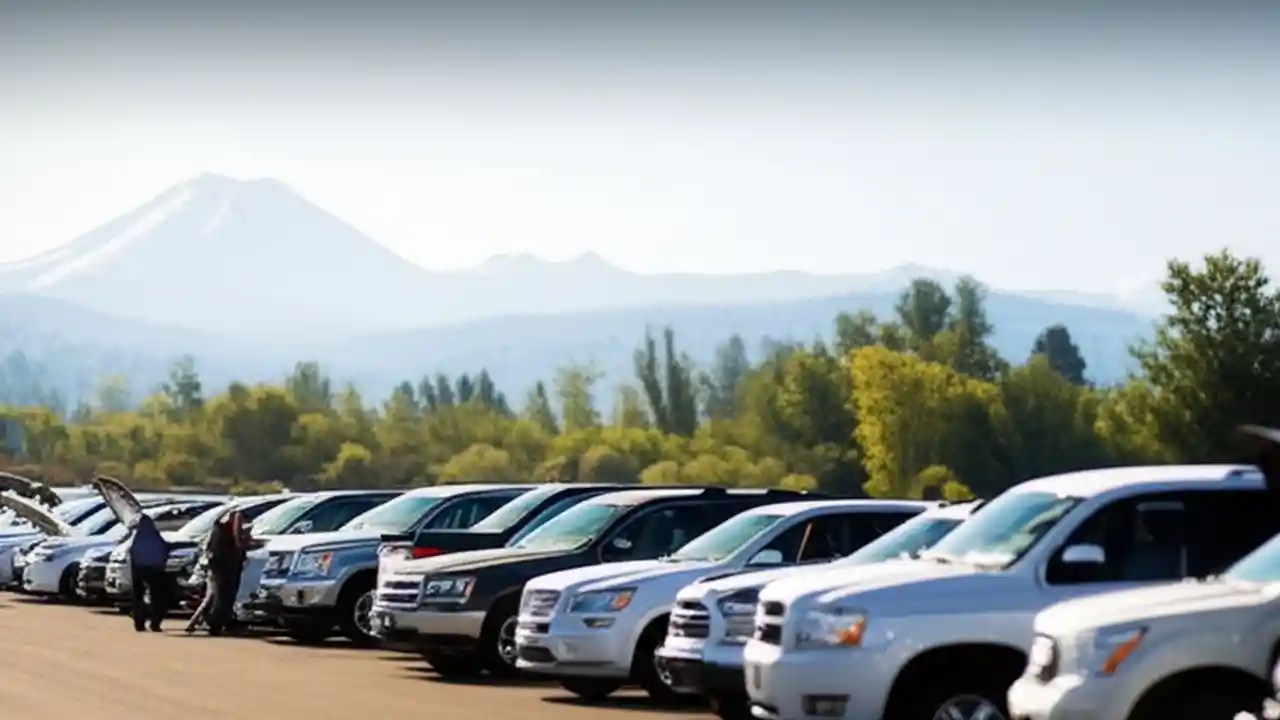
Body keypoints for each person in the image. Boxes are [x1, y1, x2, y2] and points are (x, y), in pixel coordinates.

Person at [203, 508, 249, 636]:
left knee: (218, 592)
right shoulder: (237, 515)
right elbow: (237, 538)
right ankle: (218, 622)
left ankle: (215, 620)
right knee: (225, 593)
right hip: (227, 561)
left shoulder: (220, 521)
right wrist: (245, 545)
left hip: (217, 559)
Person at [126, 513, 171, 632]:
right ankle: (155, 623)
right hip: (155, 570)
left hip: (138, 570)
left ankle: (139, 623)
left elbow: (131, 553)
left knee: (138, 597)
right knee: (157, 597)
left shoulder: (137, 538)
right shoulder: (156, 537)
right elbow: (164, 551)